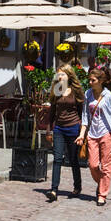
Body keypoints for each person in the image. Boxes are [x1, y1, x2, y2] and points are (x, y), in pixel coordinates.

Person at [78, 68, 111, 206]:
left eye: (92, 80)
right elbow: (85, 116)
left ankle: (102, 195)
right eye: (89, 80)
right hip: (92, 134)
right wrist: (82, 134)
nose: (90, 82)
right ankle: (102, 182)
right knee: (93, 165)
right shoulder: (88, 94)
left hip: (107, 134)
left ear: (100, 81)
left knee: (106, 167)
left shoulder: (108, 96)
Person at [45, 66, 85, 202]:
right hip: (59, 129)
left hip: (73, 128)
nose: (59, 77)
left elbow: (81, 111)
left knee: (73, 159)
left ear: (69, 75)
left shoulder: (76, 92)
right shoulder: (56, 91)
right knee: (57, 158)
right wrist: (48, 129)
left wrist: (82, 129)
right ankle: (54, 189)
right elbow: (52, 112)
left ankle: (77, 186)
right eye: (58, 75)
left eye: (62, 74)